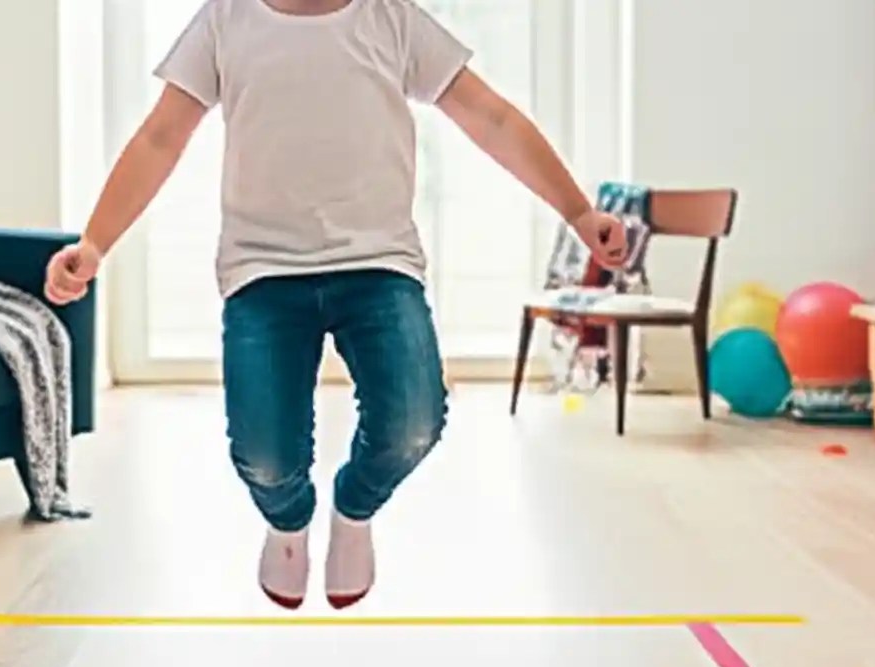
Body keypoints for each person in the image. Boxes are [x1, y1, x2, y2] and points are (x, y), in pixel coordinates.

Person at [44, 0, 629, 610]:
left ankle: (354, 511)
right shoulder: (225, 19)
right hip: (263, 270)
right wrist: (94, 243)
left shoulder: (391, 18)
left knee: (413, 425)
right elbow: (160, 138)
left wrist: (578, 212)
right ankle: (288, 520)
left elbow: (492, 118)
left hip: (378, 264)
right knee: (265, 457)